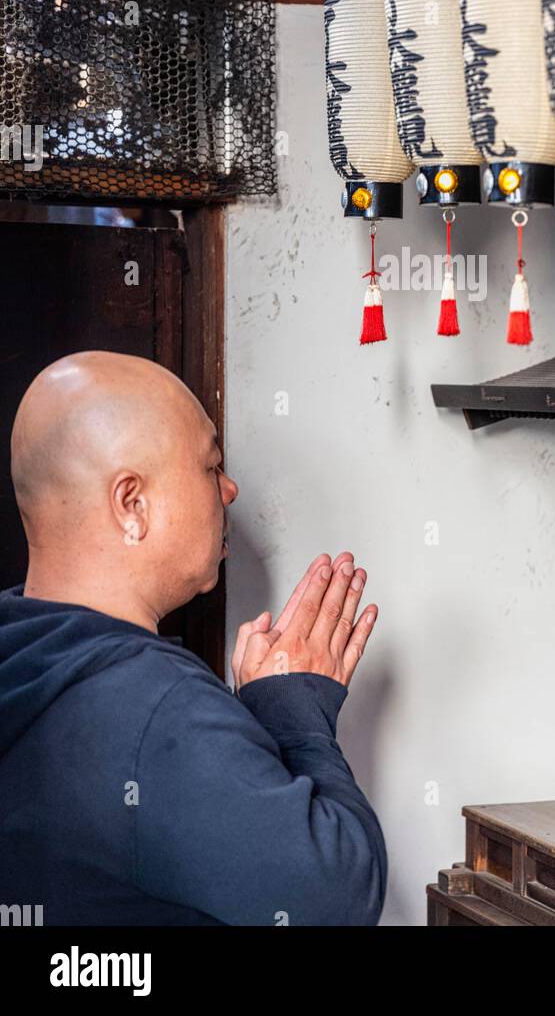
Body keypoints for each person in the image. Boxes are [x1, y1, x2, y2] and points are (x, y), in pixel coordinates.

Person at [0, 351, 385, 926]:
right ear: (132, 505)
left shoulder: (23, 646)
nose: (229, 490)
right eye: (211, 466)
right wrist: (292, 713)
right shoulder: (157, 708)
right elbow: (338, 898)